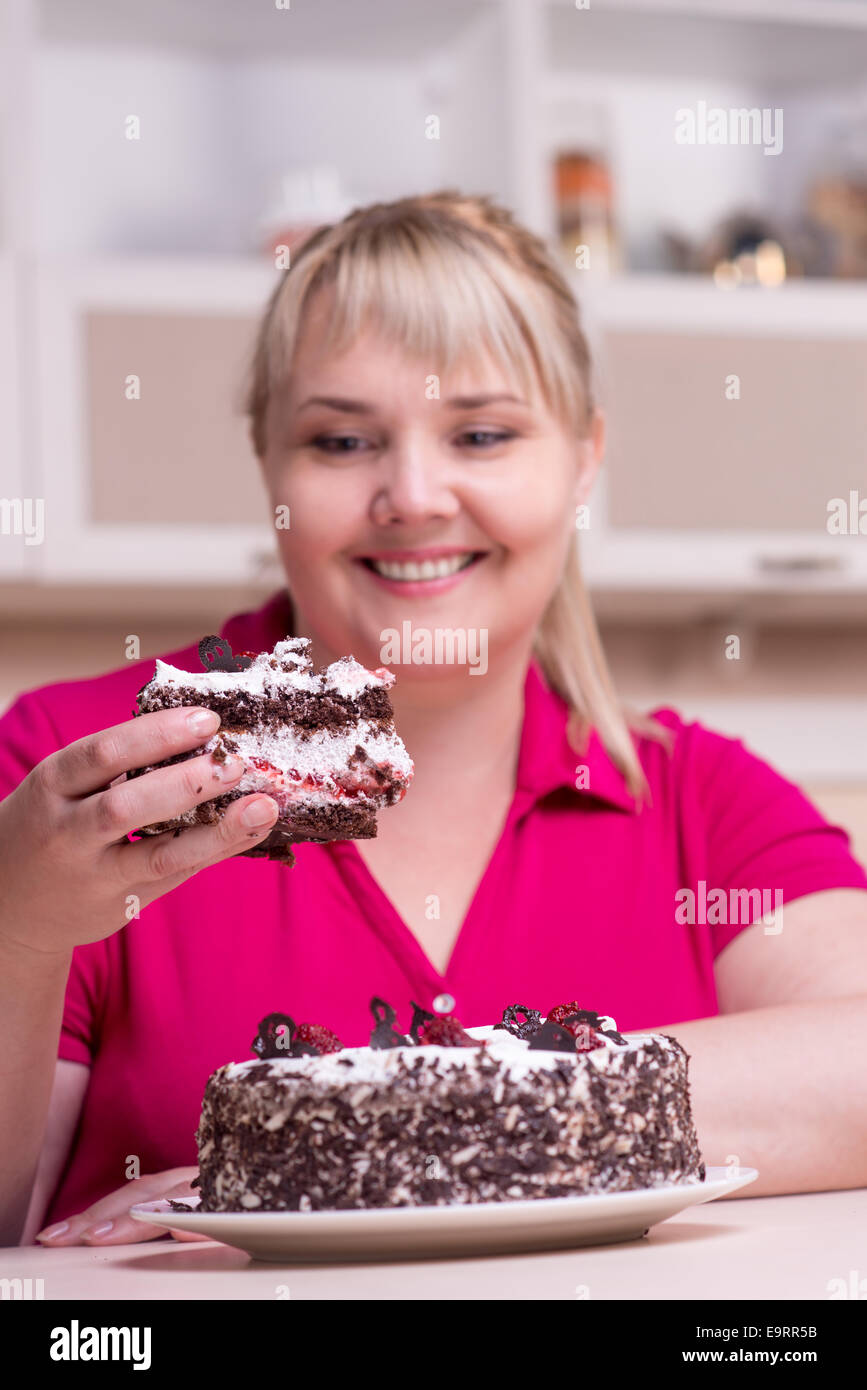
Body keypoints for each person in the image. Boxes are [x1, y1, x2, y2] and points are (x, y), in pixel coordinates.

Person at [1, 192, 865, 1250]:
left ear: (585, 459)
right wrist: (20, 926)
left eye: (483, 433)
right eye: (343, 439)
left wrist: (312, 1158)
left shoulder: (694, 796)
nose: (412, 494)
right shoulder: (79, 772)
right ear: (269, 462)